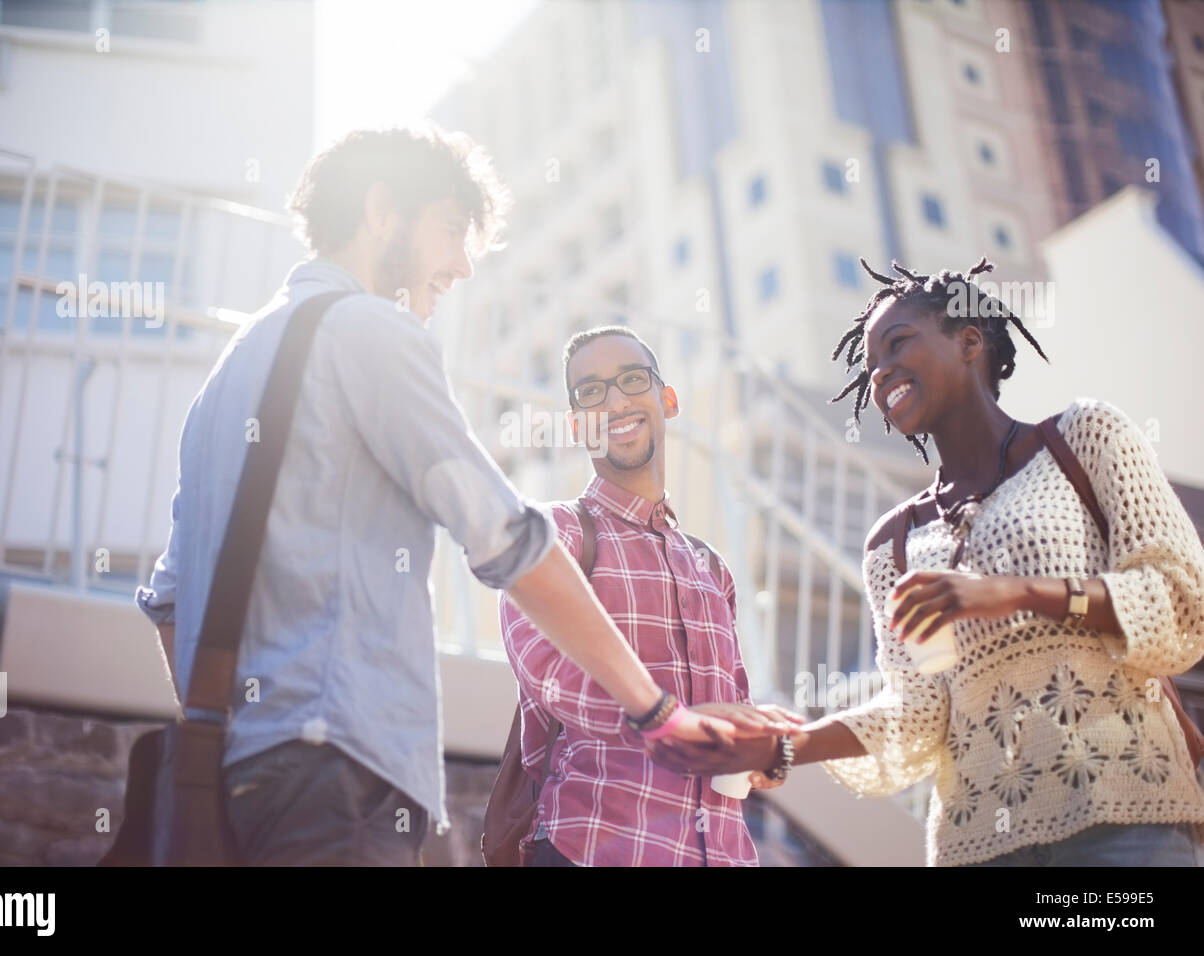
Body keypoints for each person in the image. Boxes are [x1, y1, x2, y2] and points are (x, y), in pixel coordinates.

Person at [134, 126, 741, 867]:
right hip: (339, 777)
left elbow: (169, 605)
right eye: (451, 230)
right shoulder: (372, 331)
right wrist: (654, 710)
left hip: (237, 779)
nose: (459, 264)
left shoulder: (226, 378)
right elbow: (508, 541)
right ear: (382, 208)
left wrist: (237, 740)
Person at [650, 257, 1204, 866]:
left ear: (969, 340)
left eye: (899, 343)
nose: (882, 372)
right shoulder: (894, 541)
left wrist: (1020, 593)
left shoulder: (1084, 438)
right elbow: (916, 713)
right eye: (870, 365)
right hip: (980, 845)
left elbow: (1178, 598)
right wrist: (785, 745)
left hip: (1124, 816)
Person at [499, 326, 795, 866]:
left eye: (632, 379)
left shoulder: (712, 568)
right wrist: (679, 723)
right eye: (590, 392)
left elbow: (737, 706)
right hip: (592, 849)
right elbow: (548, 675)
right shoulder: (555, 534)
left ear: (668, 399)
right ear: (577, 426)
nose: (614, 401)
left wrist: (765, 750)